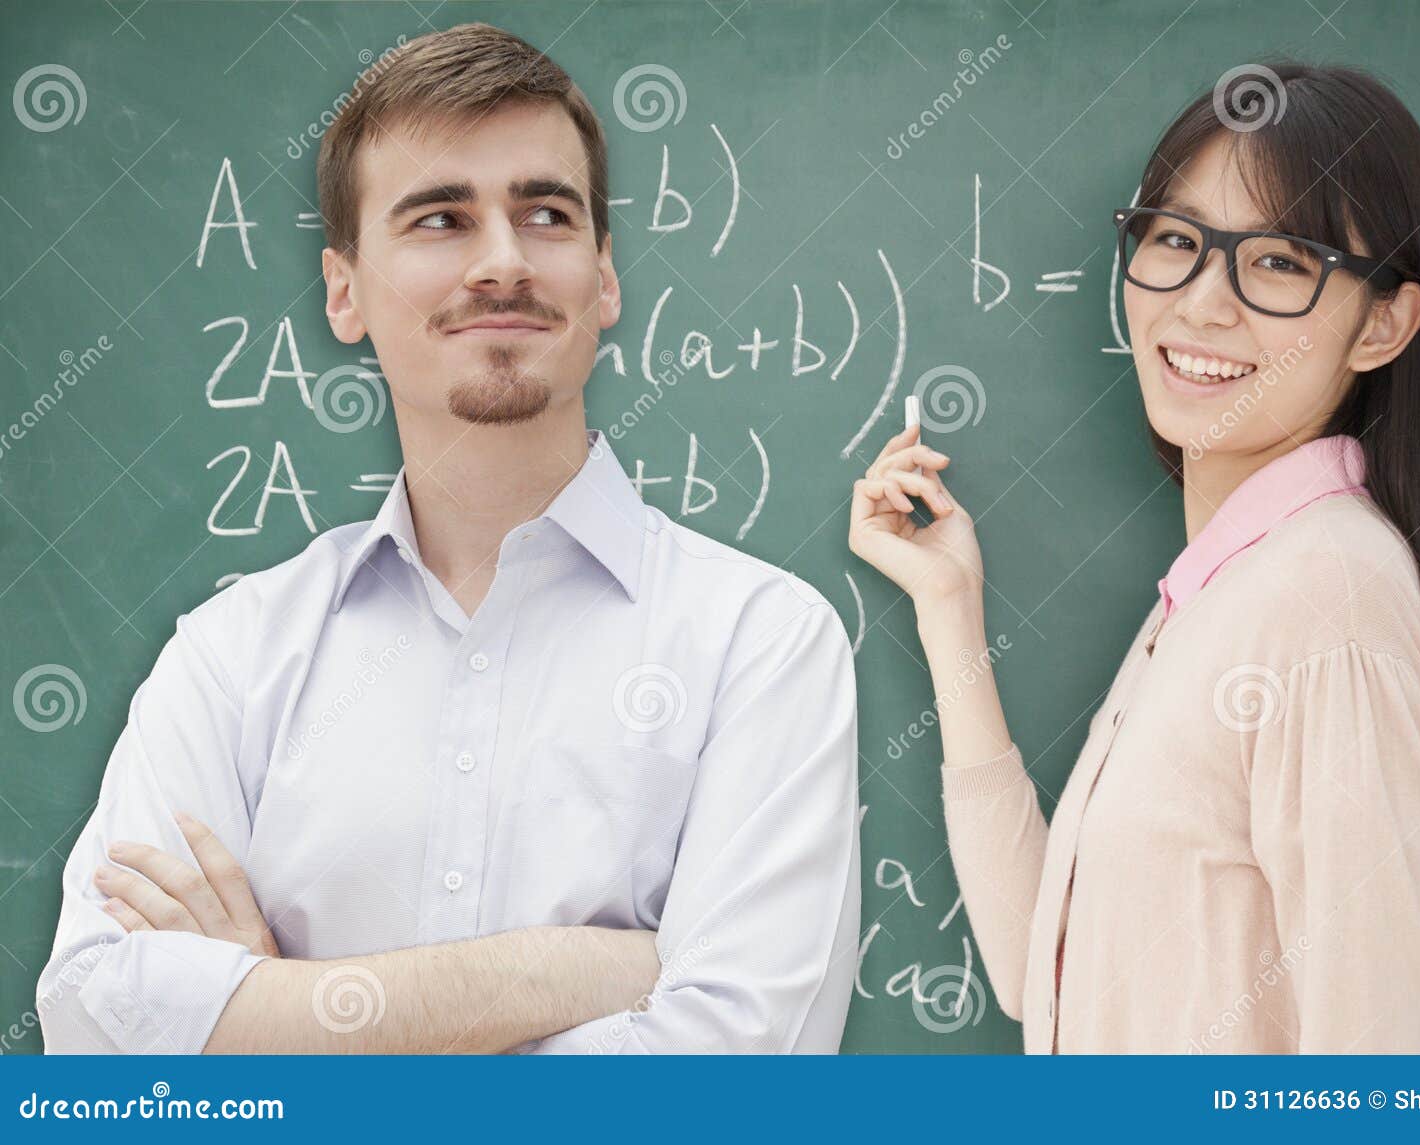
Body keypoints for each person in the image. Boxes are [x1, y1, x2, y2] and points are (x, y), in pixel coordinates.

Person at [38, 22, 860, 1055]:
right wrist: (568, 968)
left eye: (546, 214)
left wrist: (280, 1016)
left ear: (604, 277)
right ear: (344, 291)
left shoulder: (761, 639)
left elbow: (728, 1071)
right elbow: (96, 1019)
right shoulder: (232, 653)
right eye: (441, 219)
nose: (503, 262)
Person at [848, 63, 1420, 1052]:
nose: (1201, 305)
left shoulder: (1326, 594)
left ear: (1382, 323)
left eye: (1279, 261)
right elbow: (1035, 972)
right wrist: (949, 607)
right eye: (1175, 241)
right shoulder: (1222, 585)